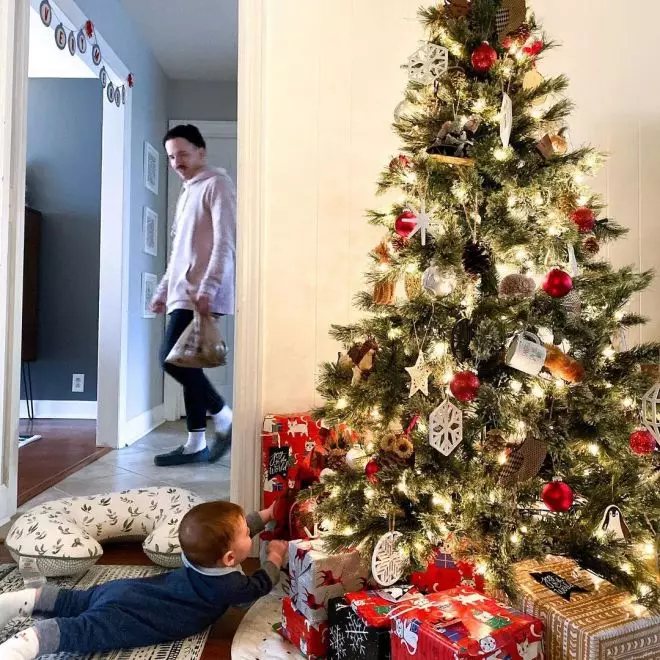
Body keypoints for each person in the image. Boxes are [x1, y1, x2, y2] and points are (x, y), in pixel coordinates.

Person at [0, 501, 287, 659]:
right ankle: (28, 642)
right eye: (247, 536)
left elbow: (234, 532)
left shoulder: (193, 556)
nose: (250, 534)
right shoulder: (228, 585)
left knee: (76, 600)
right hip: (137, 615)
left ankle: (25, 599)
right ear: (228, 558)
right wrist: (273, 558)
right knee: (84, 630)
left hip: (127, 589)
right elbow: (258, 586)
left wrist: (266, 515)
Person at [151, 124, 236, 466]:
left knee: (169, 360)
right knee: (188, 365)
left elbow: (225, 241)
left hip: (199, 291)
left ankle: (224, 414)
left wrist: (209, 287)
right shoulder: (188, 192)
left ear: (202, 151)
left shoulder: (217, 185)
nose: (177, 162)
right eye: (172, 157)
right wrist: (162, 291)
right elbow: (179, 253)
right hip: (181, 291)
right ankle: (195, 444)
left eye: (183, 154)